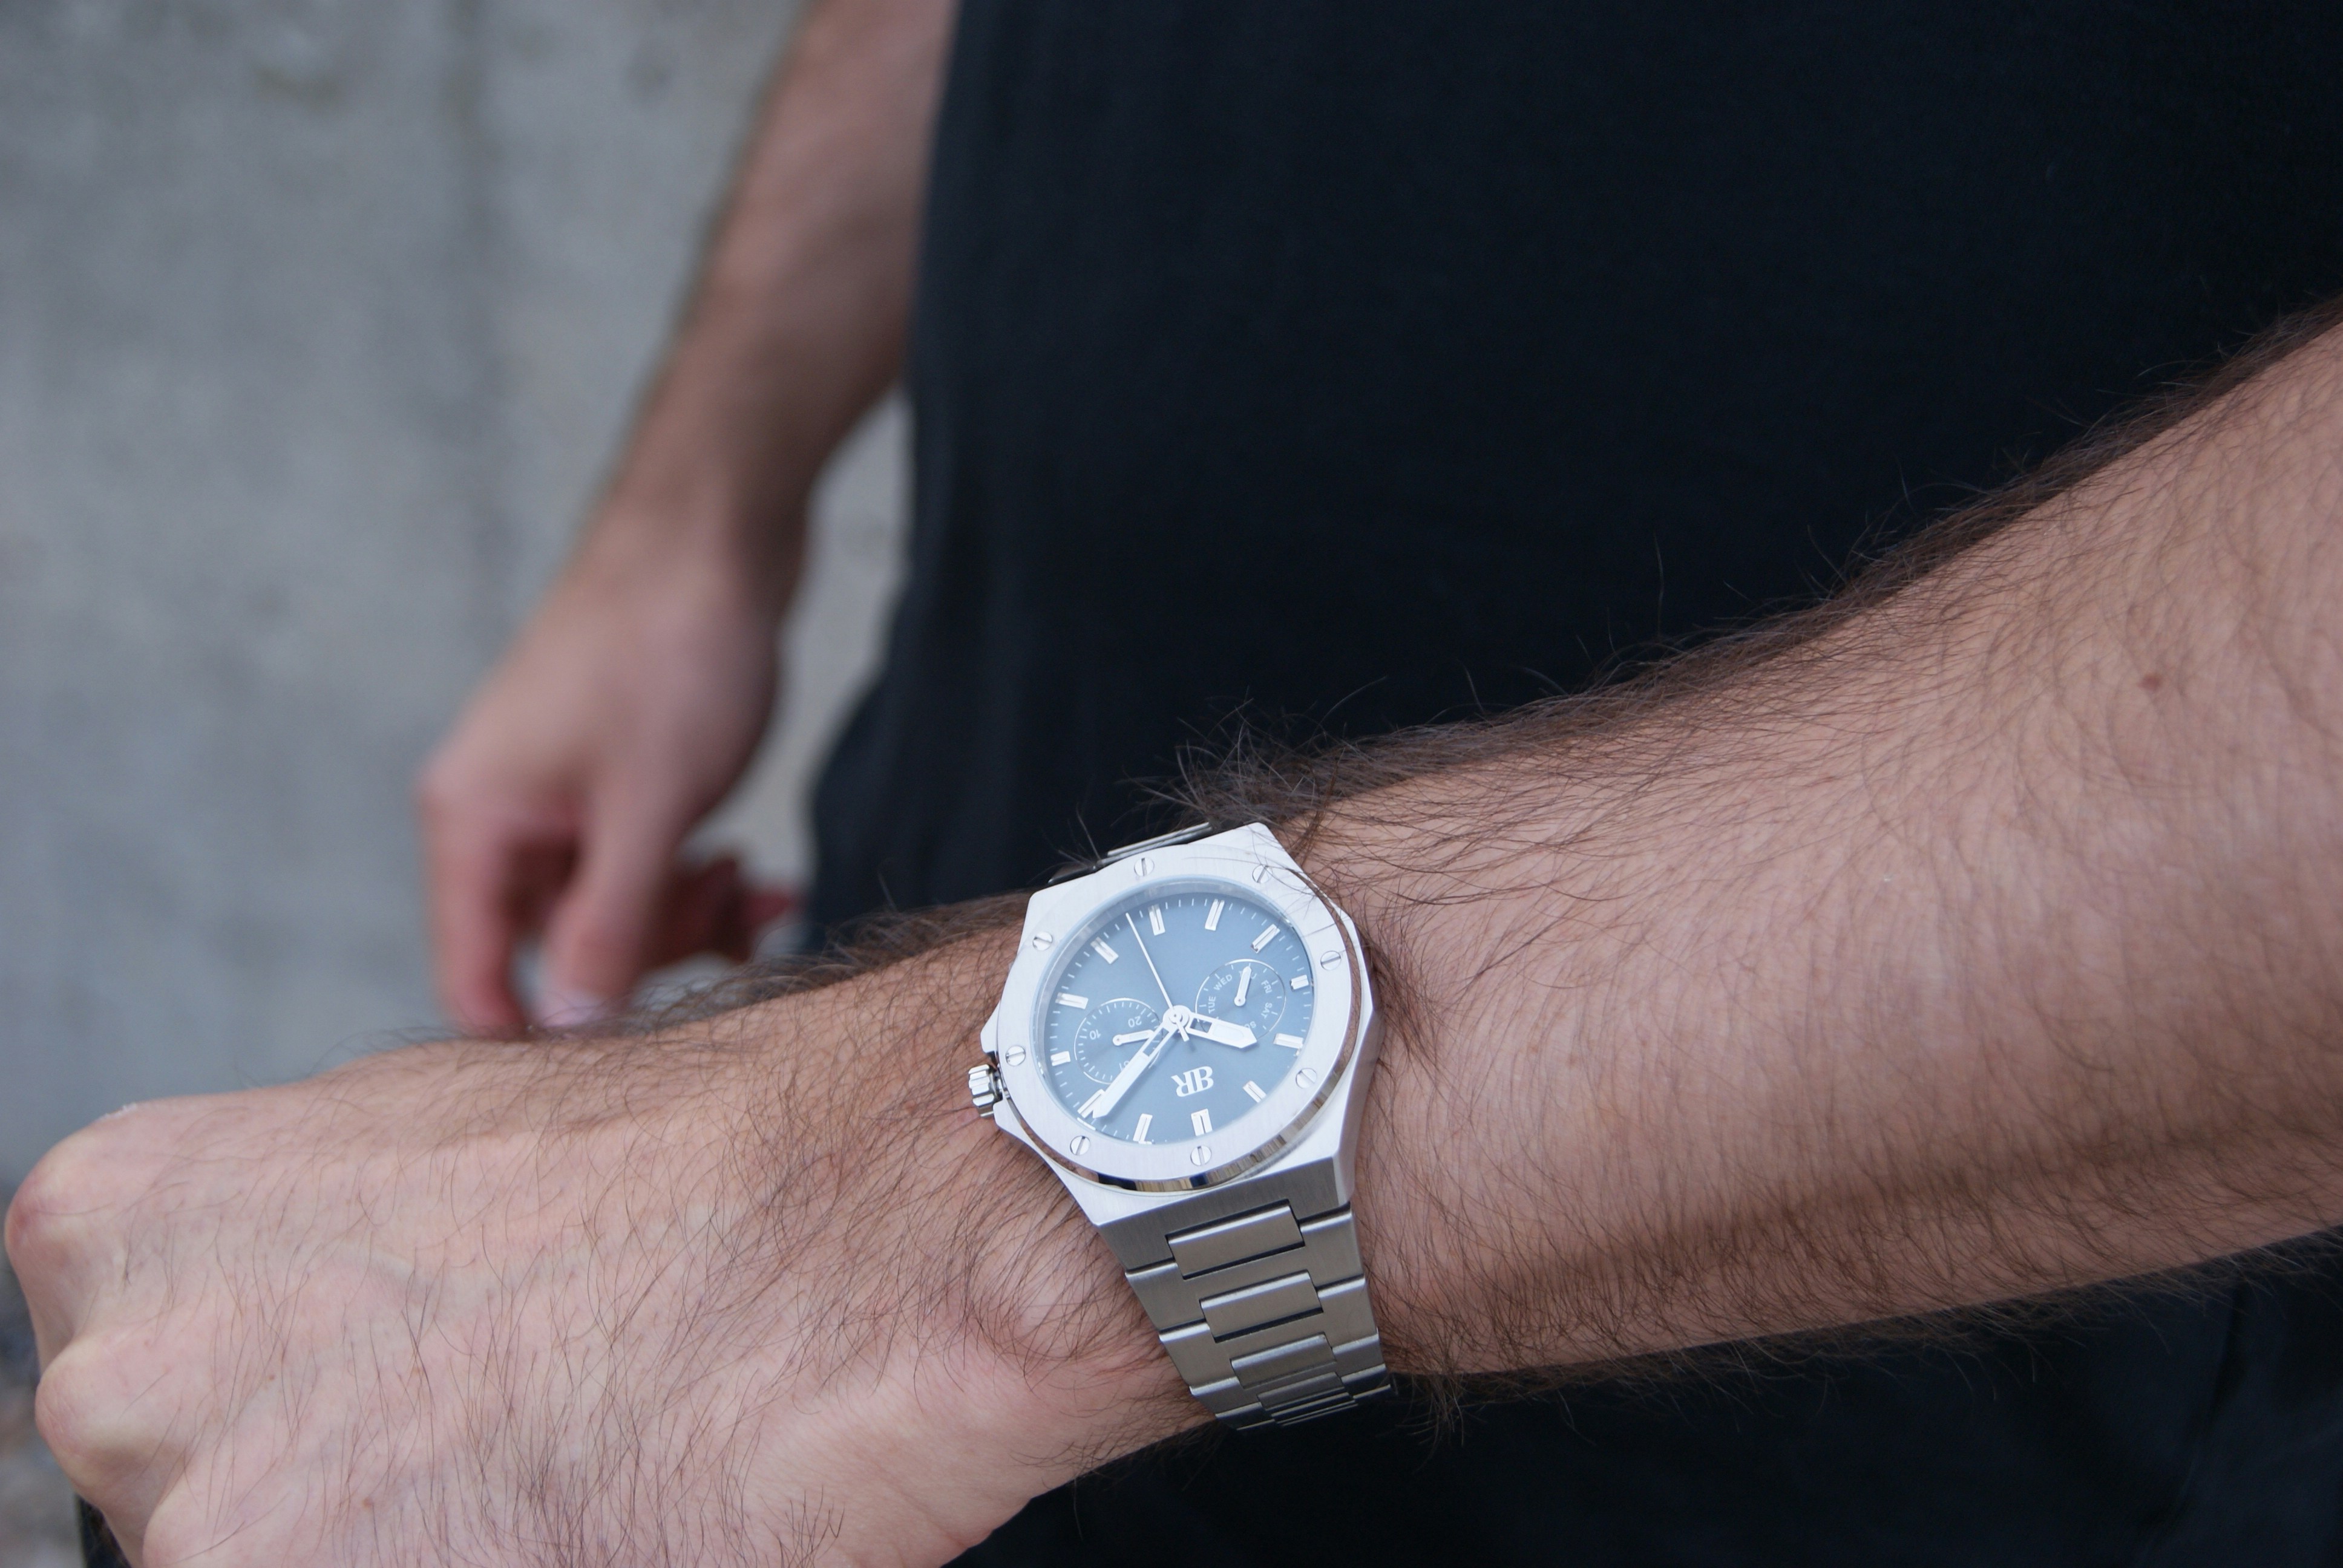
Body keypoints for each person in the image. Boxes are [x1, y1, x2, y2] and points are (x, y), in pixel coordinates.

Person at [15, 0, 2343, 1561]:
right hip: (968, 940)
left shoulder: (881, 1248)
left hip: (1936, 1318)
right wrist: (702, 491)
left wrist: (860, 1240)